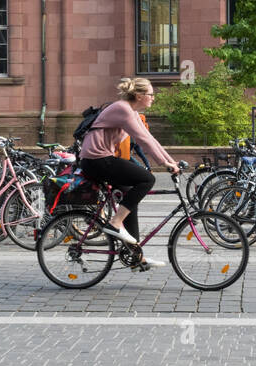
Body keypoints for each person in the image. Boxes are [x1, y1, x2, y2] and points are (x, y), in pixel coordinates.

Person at [77, 77, 179, 268]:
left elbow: (150, 138)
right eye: (150, 94)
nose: (153, 98)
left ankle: (135, 257)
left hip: (99, 159)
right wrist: (164, 163)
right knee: (147, 179)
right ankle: (115, 223)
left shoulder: (130, 111)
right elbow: (143, 141)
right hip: (96, 160)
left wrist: (171, 161)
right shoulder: (122, 109)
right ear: (139, 95)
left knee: (129, 199)